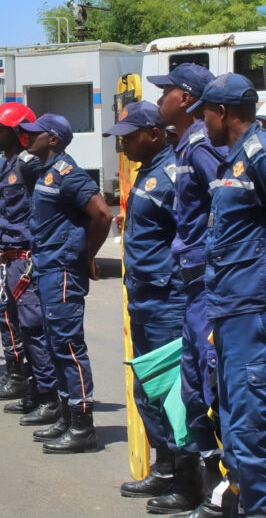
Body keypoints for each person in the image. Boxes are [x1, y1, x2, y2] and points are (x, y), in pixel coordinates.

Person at [197, 74, 266, 517]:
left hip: (256, 313)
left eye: (204, 112)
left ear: (222, 112)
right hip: (233, 311)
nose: (202, 122)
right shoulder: (235, 159)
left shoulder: (261, 154)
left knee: (253, 434)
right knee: (236, 432)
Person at [145, 63, 226, 515]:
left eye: (167, 91)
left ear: (187, 98)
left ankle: (221, 494)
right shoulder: (185, 144)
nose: (160, 100)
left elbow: (227, 206)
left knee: (212, 393)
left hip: (208, 284)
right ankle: (201, 488)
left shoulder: (201, 146)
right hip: (193, 283)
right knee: (193, 392)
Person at [103, 101, 186, 498]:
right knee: (148, 387)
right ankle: (165, 467)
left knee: (174, 391)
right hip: (144, 297)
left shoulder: (173, 174)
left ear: (154, 133)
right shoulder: (147, 173)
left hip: (167, 299)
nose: (124, 147)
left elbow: (189, 237)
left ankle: (186, 475)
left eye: (129, 137)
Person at [19, 113, 112, 454]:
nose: (27, 137)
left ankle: (83, 426)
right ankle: (65, 415)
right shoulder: (45, 171)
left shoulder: (69, 174)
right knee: (56, 345)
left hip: (62, 272)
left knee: (69, 347)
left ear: (54, 139)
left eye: (35, 133)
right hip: (46, 269)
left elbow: (102, 215)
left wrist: (87, 256)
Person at [0, 103, 59, 422]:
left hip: (25, 258)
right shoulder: (7, 164)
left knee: (34, 328)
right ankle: (34, 389)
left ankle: (50, 397)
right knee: (19, 327)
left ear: (18, 133)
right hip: (9, 256)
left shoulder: (29, 165)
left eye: (0, 130)